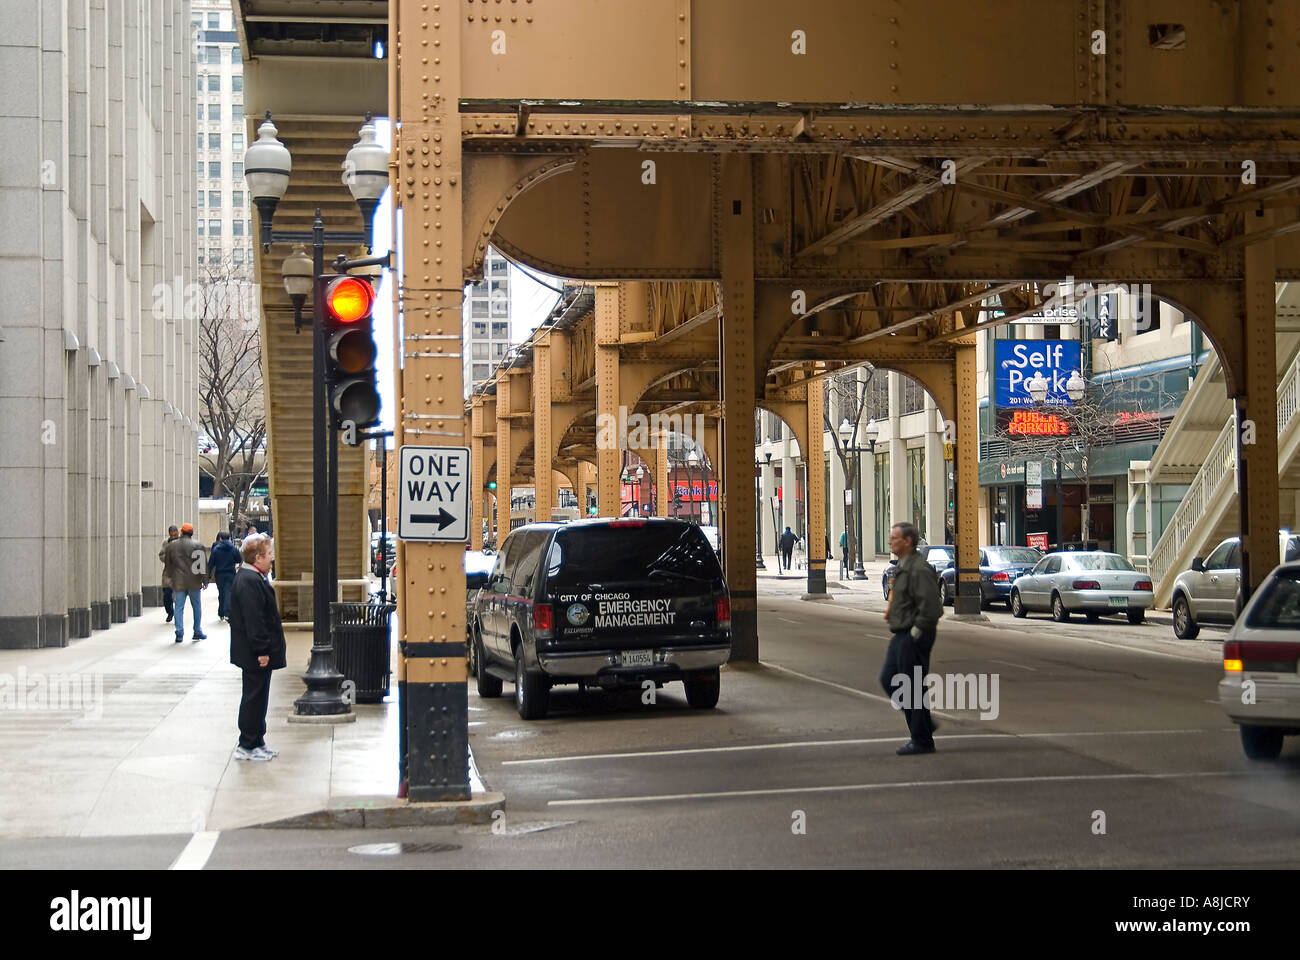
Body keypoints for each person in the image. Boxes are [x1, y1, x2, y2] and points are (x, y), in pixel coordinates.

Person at [880, 521, 942, 756]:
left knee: (912, 686)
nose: (890, 541)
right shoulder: (903, 566)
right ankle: (923, 723)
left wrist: (915, 634)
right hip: (902, 633)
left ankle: (922, 739)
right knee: (889, 678)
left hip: (913, 634)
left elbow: (932, 608)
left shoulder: (918, 568)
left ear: (907, 541)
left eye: (894, 537)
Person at [229, 537, 286, 761]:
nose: (272, 557)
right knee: (254, 696)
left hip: (254, 651)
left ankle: (256, 741)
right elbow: (255, 619)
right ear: (258, 558)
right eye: (269, 553)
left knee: (258, 696)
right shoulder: (250, 581)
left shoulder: (251, 578)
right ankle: (248, 743)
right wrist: (262, 650)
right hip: (254, 653)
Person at [162, 523, 209, 643]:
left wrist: (169, 578)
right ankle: (197, 630)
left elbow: (168, 564)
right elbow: (202, 565)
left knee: (179, 607)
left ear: (182, 533)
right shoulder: (198, 545)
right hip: (194, 581)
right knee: (196, 607)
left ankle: (179, 632)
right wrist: (205, 580)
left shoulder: (172, 546)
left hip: (179, 581)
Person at [209, 531, 242, 621]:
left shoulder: (216, 549)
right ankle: (227, 612)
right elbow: (239, 559)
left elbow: (211, 563)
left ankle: (221, 612)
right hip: (230, 573)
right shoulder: (233, 548)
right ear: (229, 538)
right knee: (229, 592)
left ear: (220, 539)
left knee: (221, 592)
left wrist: (208, 575)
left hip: (219, 574)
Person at [159, 526, 179, 622]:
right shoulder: (166, 543)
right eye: (172, 535)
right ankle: (170, 612)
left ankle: (178, 615)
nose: (174, 537)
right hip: (168, 572)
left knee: (179, 595)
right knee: (167, 594)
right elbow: (161, 555)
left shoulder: (182, 543)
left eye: (176, 535)